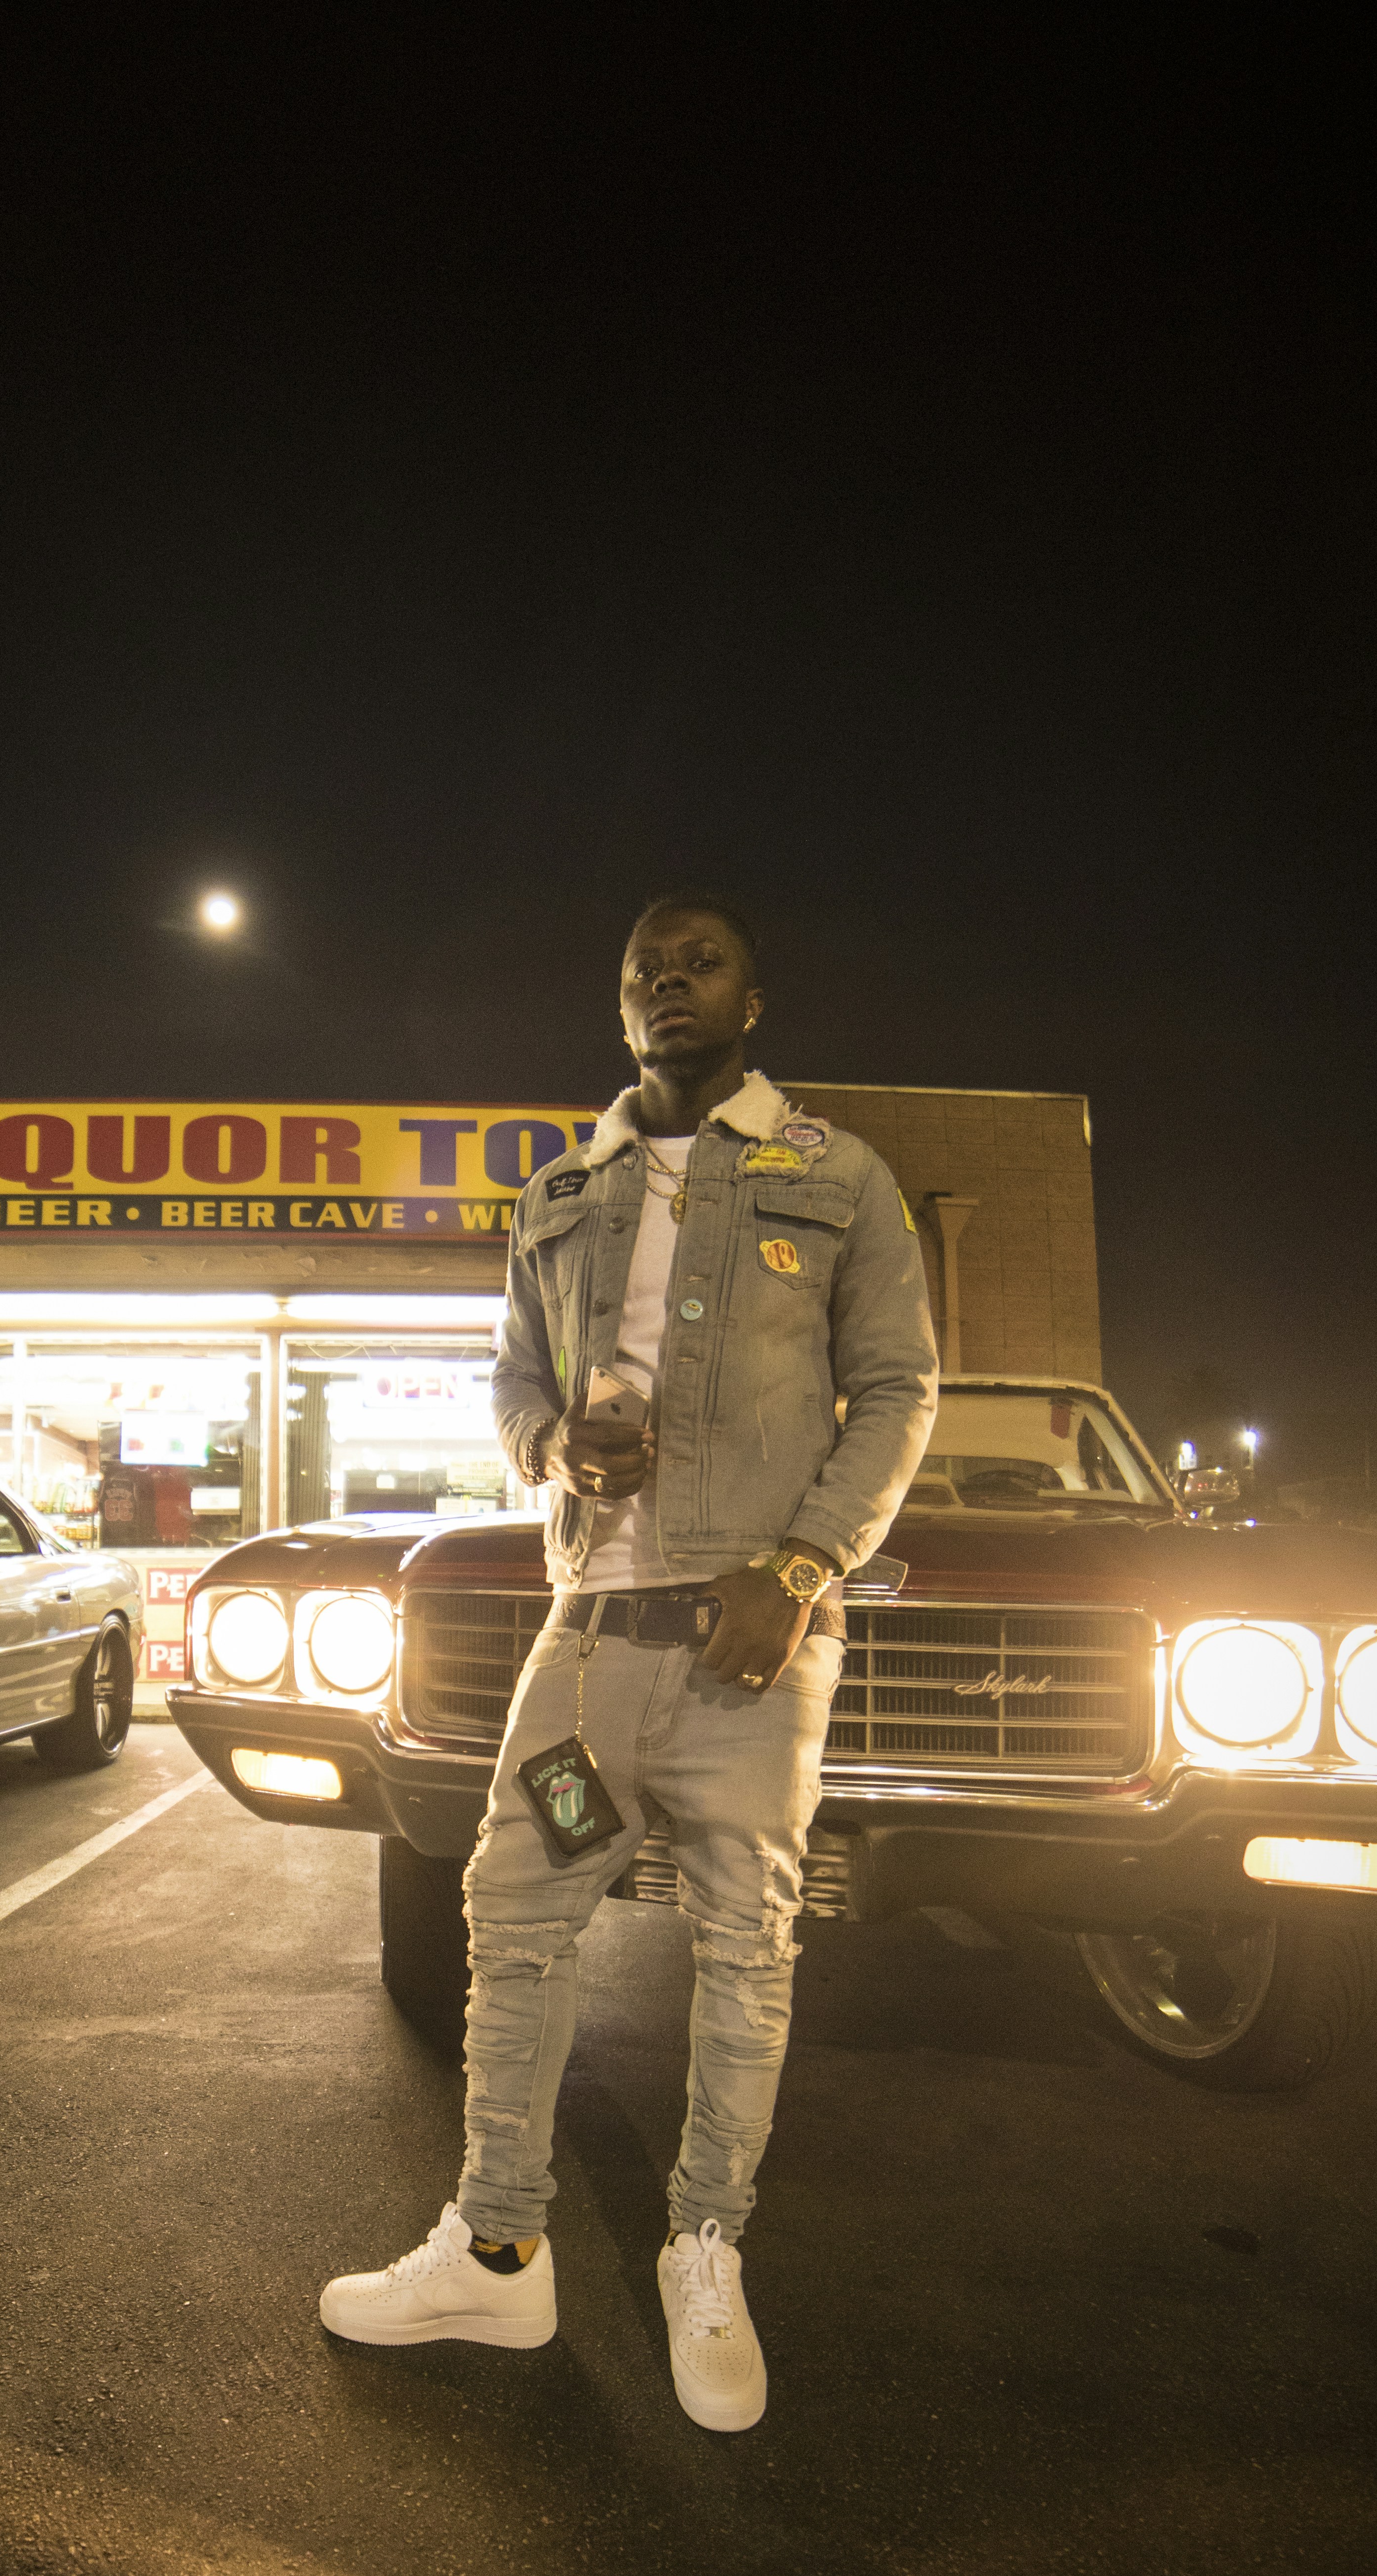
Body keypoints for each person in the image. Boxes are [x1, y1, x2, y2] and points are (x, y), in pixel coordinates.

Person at [319, 893, 938, 2432]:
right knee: (522, 1894)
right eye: (641, 970)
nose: (668, 982)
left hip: (747, 1640)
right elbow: (514, 1372)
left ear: (751, 991)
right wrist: (551, 1446)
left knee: (742, 1936)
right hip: (590, 1633)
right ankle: (497, 2246)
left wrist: (797, 1568)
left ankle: (703, 2245)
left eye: (698, 961)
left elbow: (897, 1386)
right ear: (618, 1010)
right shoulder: (560, 1190)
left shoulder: (834, 1176)